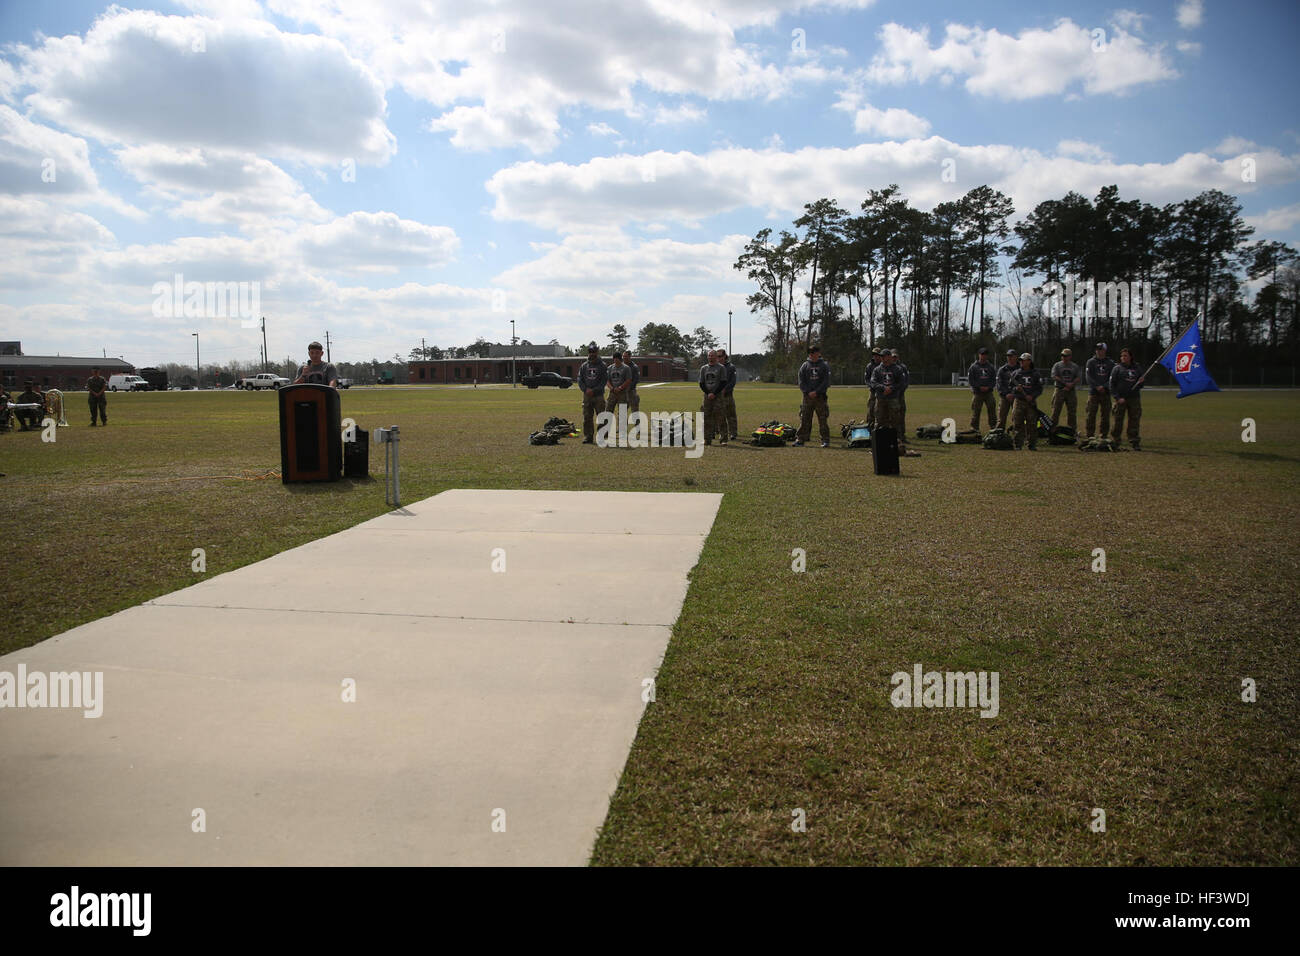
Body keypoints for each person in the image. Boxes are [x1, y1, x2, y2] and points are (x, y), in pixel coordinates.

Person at [795, 345, 831, 447]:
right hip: (807, 398)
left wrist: (817, 392)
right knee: (805, 419)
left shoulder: (824, 366)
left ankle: (825, 440)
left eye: (814, 352)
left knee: (822, 420)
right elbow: (801, 381)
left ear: (818, 353)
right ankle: (801, 439)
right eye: (810, 352)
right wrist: (808, 392)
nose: (812, 354)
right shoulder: (805, 365)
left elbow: (826, 381)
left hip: (820, 398)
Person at [1109, 347, 1145, 450]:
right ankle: (1116, 440)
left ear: (1130, 357)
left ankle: (1134, 440)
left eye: (1125, 356)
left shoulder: (1137, 368)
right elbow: (1112, 384)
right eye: (1122, 356)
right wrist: (1117, 397)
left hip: (1134, 398)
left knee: (1134, 420)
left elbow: (1141, 385)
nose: (1123, 358)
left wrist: (1141, 381)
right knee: (1117, 420)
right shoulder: (1117, 368)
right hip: (1120, 398)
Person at [869, 349, 906, 445]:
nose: (881, 358)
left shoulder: (897, 369)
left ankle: (897, 443)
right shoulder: (877, 369)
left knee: (895, 421)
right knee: (879, 421)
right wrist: (883, 388)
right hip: (881, 399)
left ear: (889, 357)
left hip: (893, 399)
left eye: (883, 356)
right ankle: (877, 444)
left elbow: (902, 382)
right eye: (881, 356)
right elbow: (873, 382)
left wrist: (891, 388)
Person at [1007, 353, 1043, 450]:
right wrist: (1016, 389)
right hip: (1019, 401)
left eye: (1024, 360)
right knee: (1017, 423)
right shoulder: (1016, 373)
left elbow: (1039, 388)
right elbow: (1010, 386)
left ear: (1029, 361)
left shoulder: (1035, 374)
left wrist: (1032, 396)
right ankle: (1018, 444)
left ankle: (1032, 444)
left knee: (1032, 423)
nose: (1021, 362)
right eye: (1021, 360)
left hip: (1031, 403)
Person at [576, 344, 608, 444]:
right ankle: (588, 437)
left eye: (593, 351)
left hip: (598, 396)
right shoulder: (584, 366)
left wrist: (594, 390)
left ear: (597, 352)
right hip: (587, 396)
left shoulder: (602, 365)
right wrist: (586, 390)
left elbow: (604, 380)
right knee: (587, 417)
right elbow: (579, 379)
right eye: (590, 351)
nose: (592, 353)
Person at [1084, 342, 1116, 439]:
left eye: (1101, 349)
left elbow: (1112, 377)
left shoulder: (1110, 363)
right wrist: (1097, 386)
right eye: (1097, 349)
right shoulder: (1091, 362)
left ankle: (1103, 435)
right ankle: (1090, 434)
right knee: (1091, 414)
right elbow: (1088, 376)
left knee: (1105, 415)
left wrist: (1105, 386)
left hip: (1106, 393)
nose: (1098, 351)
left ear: (1105, 350)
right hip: (1093, 393)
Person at [699, 349, 728, 446]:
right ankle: (707, 439)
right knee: (706, 417)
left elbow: (723, 382)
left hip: (718, 396)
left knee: (721, 417)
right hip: (707, 397)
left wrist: (714, 393)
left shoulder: (721, 368)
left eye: (712, 355)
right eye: (709, 355)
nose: (710, 357)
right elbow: (701, 383)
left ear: (716, 357)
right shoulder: (704, 368)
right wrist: (708, 393)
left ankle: (723, 439)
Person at [1050, 348, 1082, 431]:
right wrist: (1065, 383)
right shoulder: (1057, 365)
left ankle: (1072, 431)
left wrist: (1071, 384)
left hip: (1070, 391)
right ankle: (1052, 430)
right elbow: (1054, 376)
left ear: (1070, 356)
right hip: (1059, 390)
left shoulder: (1074, 366)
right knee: (1055, 411)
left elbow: (1078, 377)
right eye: (1062, 355)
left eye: (1066, 356)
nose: (1064, 357)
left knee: (1072, 412)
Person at [967, 347, 997, 431]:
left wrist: (988, 387)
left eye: (985, 354)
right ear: (979, 355)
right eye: (982, 354)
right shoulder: (973, 367)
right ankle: (974, 428)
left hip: (988, 393)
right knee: (976, 411)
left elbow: (993, 379)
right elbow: (971, 380)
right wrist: (979, 387)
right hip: (977, 393)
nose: (983, 356)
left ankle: (993, 427)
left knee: (992, 409)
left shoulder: (991, 367)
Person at [606, 351, 633, 439]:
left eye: (617, 359)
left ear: (620, 359)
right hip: (612, 393)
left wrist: (620, 388)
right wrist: (612, 388)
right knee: (608, 411)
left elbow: (628, 380)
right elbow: (607, 380)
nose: (615, 361)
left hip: (622, 393)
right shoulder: (610, 368)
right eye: (614, 359)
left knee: (622, 413)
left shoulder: (626, 368)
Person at [717, 348, 739, 440]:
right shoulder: (715, 367)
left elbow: (732, 382)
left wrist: (725, 389)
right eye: (717, 356)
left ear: (725, 356)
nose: (718, 358)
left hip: (727, 395)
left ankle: (733, 433)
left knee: (731, 415)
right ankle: (720, 432)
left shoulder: (731, 367)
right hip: (717, 396)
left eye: (720, 356)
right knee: (719, 415)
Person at [996, 348, 1019, 429]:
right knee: (1001, 418)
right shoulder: (1002, 369)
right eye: (1008, 356)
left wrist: (1014, 394)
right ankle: (999, 434)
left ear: (1016, 357)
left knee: (1017, 418)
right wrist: (1006, 394)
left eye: (1011, 356)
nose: (1009, 357)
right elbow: (999, 384)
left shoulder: (1021, 369)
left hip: (1017, 397)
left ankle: (1017, 434)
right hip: (1004, 397)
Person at [864, 347, 883, 427]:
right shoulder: (869, 366)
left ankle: (880, 427)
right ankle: (869, 427)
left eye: (877, 355)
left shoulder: (884, 365)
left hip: (882, 392)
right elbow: (866, 379)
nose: (875, 356)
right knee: (870, 409)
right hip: (872, 391)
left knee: (880, 410)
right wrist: (872, 386)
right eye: (874, 355)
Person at [621, 350, 640, 414]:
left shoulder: (634, 367)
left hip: (631, 392)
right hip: (622, 391)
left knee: (635, 411)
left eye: (626, 356)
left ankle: (637, 424)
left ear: (630, 357)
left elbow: (636, 379)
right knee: (622, 411)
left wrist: (629, 387)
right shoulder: (620, 366)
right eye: (623, 356)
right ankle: (622, 424)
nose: (624, 358)